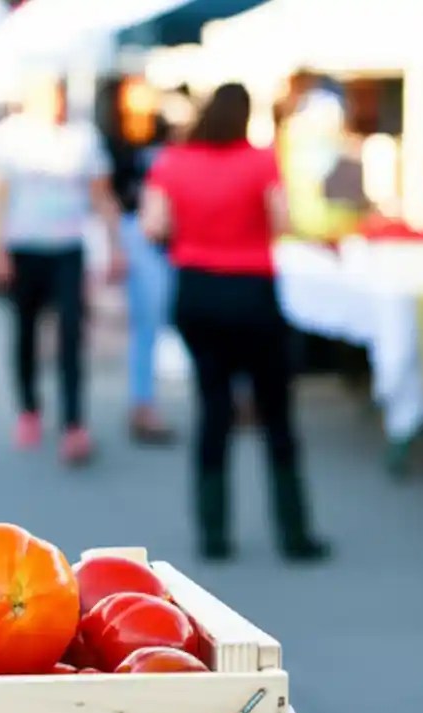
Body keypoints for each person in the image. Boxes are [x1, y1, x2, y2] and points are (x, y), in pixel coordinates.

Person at [140, 83, 330, 561]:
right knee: (276, 413)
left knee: (213, 410)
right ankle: (294, 532)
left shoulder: (173, 162)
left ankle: (213, 532)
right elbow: (281, 221)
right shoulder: (261, 160)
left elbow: (153, 226)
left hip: (198, 292)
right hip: (252, 294)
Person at [0, 78, 124, 466]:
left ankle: (74, 422)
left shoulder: (82, 138)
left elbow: (101, 194)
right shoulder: (8, 138)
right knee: (25, 330)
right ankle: (29, 407)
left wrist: (114, 246)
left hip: (68, 248)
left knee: (72, 333)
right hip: (24, 247)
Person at [109, 91, 178, 445]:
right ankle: (142, 403)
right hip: (143, 235)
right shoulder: (118, 144)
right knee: (147, 322)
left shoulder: (172, 140)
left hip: (176, 238)